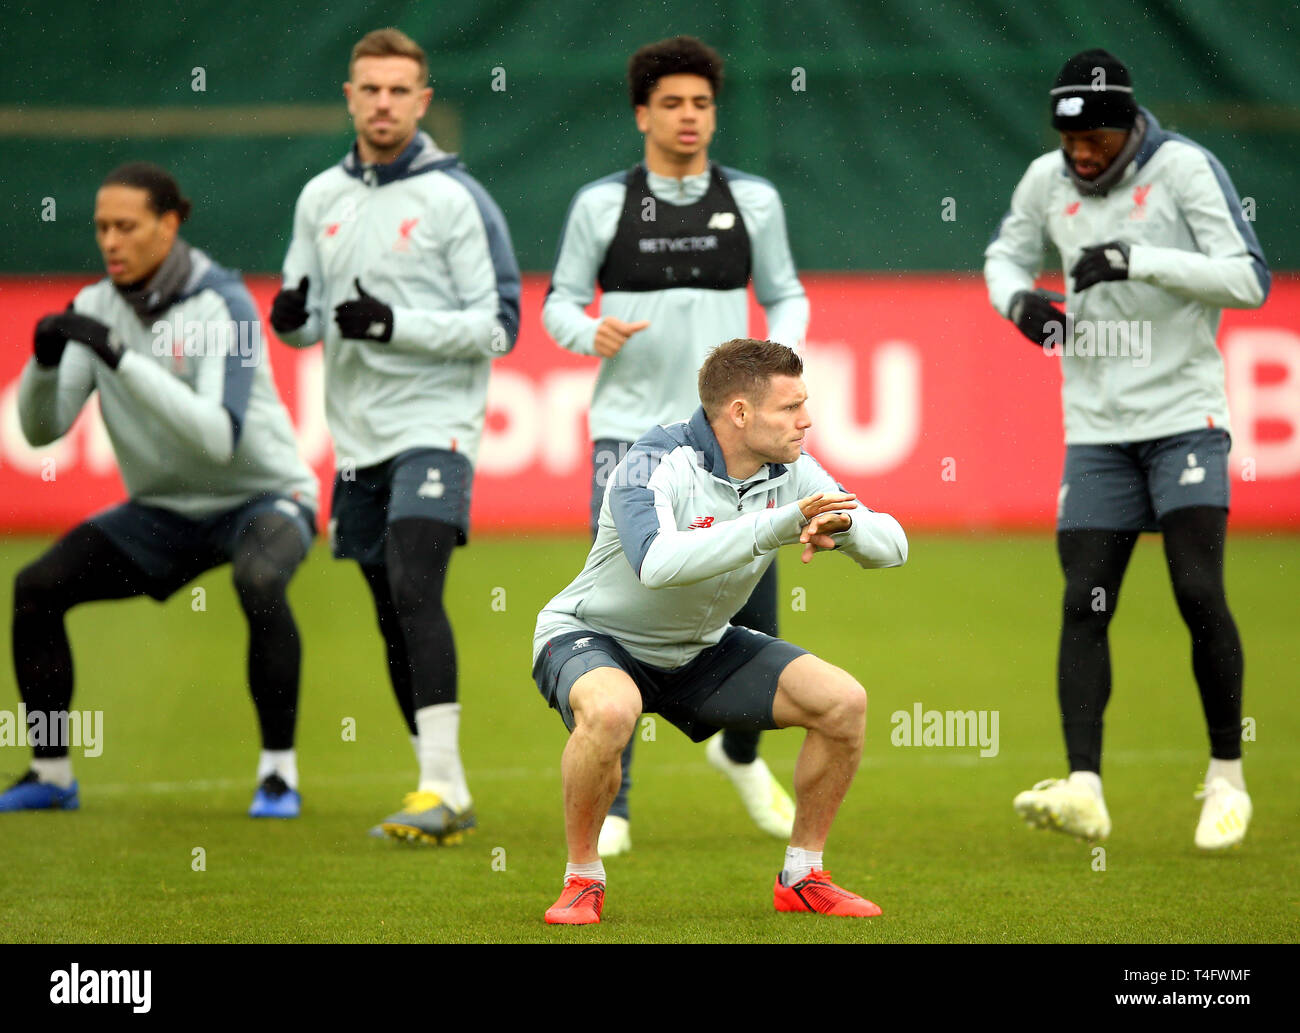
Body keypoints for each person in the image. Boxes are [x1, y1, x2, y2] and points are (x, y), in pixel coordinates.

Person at [984, 49, 1269, 849]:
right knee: (1084, 602)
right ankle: (1084, 789)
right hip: (1098, 430)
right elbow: (1004, 253)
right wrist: (1019, 302)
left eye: (1096, 140)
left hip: (1184, 417)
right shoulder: (1046, 180)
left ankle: (1226, 781)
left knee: (1196, 590)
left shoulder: (1181, 170)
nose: (1080, 154)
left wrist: (1139, 259)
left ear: (1126, 124)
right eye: (1068, 138)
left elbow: (1249, 279)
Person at [531, 338, 907, 924]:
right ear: (738, 412)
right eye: (790, 408)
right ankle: (582, 878)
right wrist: (780, 524)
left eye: (804, 404)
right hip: (594, 636)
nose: (806, 420)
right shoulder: (649, 461)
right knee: (609, 712)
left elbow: (895, 547)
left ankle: (803, 876)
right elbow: (655, 564)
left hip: (701, 650)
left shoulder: (792, 469)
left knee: (843, 703)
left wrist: (845, 526)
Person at [542, 35, 809, 857]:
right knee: (626, 607)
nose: (688, 117)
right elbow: (555, 303)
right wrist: (590, 331)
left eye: (701, 103)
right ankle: (614, 807)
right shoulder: (603, 205)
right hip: (630, 436)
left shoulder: (753, 199)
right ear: (641, 114)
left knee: (753, 601)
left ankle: (737, 749)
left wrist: (779, 365)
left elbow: (786, 293)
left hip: (728, 436)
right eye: (671, 104)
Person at [4, 162, 318, 818]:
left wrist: (120, 356)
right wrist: (42, 363)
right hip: (161, 512)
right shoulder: (94, 305)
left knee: (259, 581)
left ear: (169, 224)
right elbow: (41, 431)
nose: (111, 241)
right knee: (34, 589)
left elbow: (219, 439)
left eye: (127, 226)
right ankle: (52, 771)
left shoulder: (222, 303)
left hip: (264, 498)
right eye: (101, 228)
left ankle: (278, 775)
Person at [271, 28, 520, 844]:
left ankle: (441, 788)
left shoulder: (456, 199)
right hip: (357, 437)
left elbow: (500, 327)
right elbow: (307, 318)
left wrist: (394, 323)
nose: (382, 103)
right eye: (367, 89)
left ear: (422, 101)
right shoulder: (318, 198)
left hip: (436, 426)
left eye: (397, 90)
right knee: (387, 605)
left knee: (416, 583)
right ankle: (438, 786)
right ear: (349, 97)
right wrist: (292, 321)